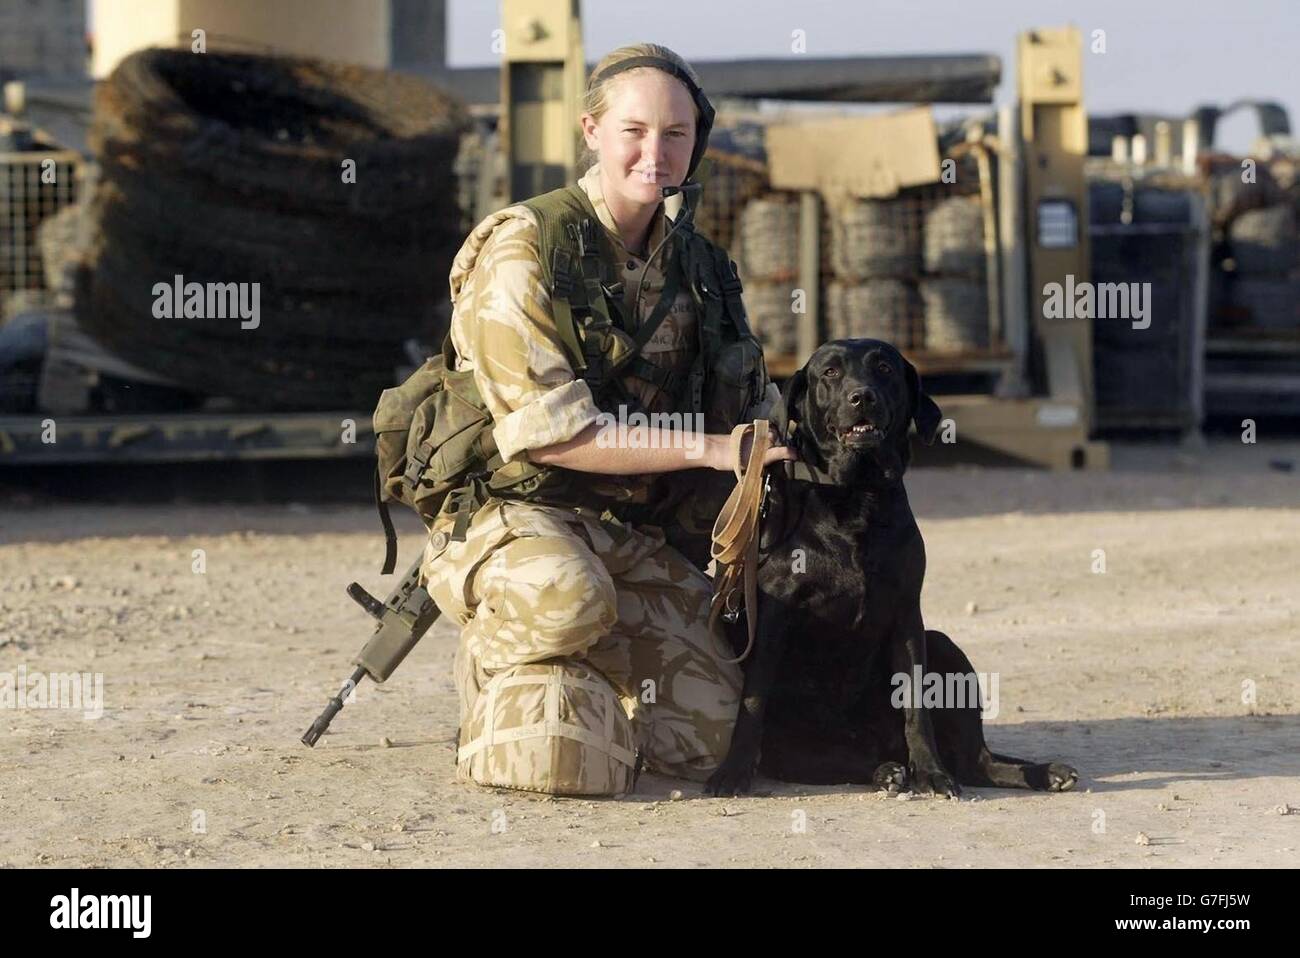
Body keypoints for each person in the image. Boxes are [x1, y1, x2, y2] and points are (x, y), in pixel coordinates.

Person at [421, 42, 795, 796]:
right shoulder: (524, 247)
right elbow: (555, 432)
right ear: (591, 131)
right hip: (515, 517)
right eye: (634, 130)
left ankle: (579, 673)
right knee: (568, 598)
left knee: (715, 734)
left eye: (676, 134)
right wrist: (711, 450)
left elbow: (755, 406)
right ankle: (498, 658)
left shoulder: (701, 268)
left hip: (631, 533)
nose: (655, 153)